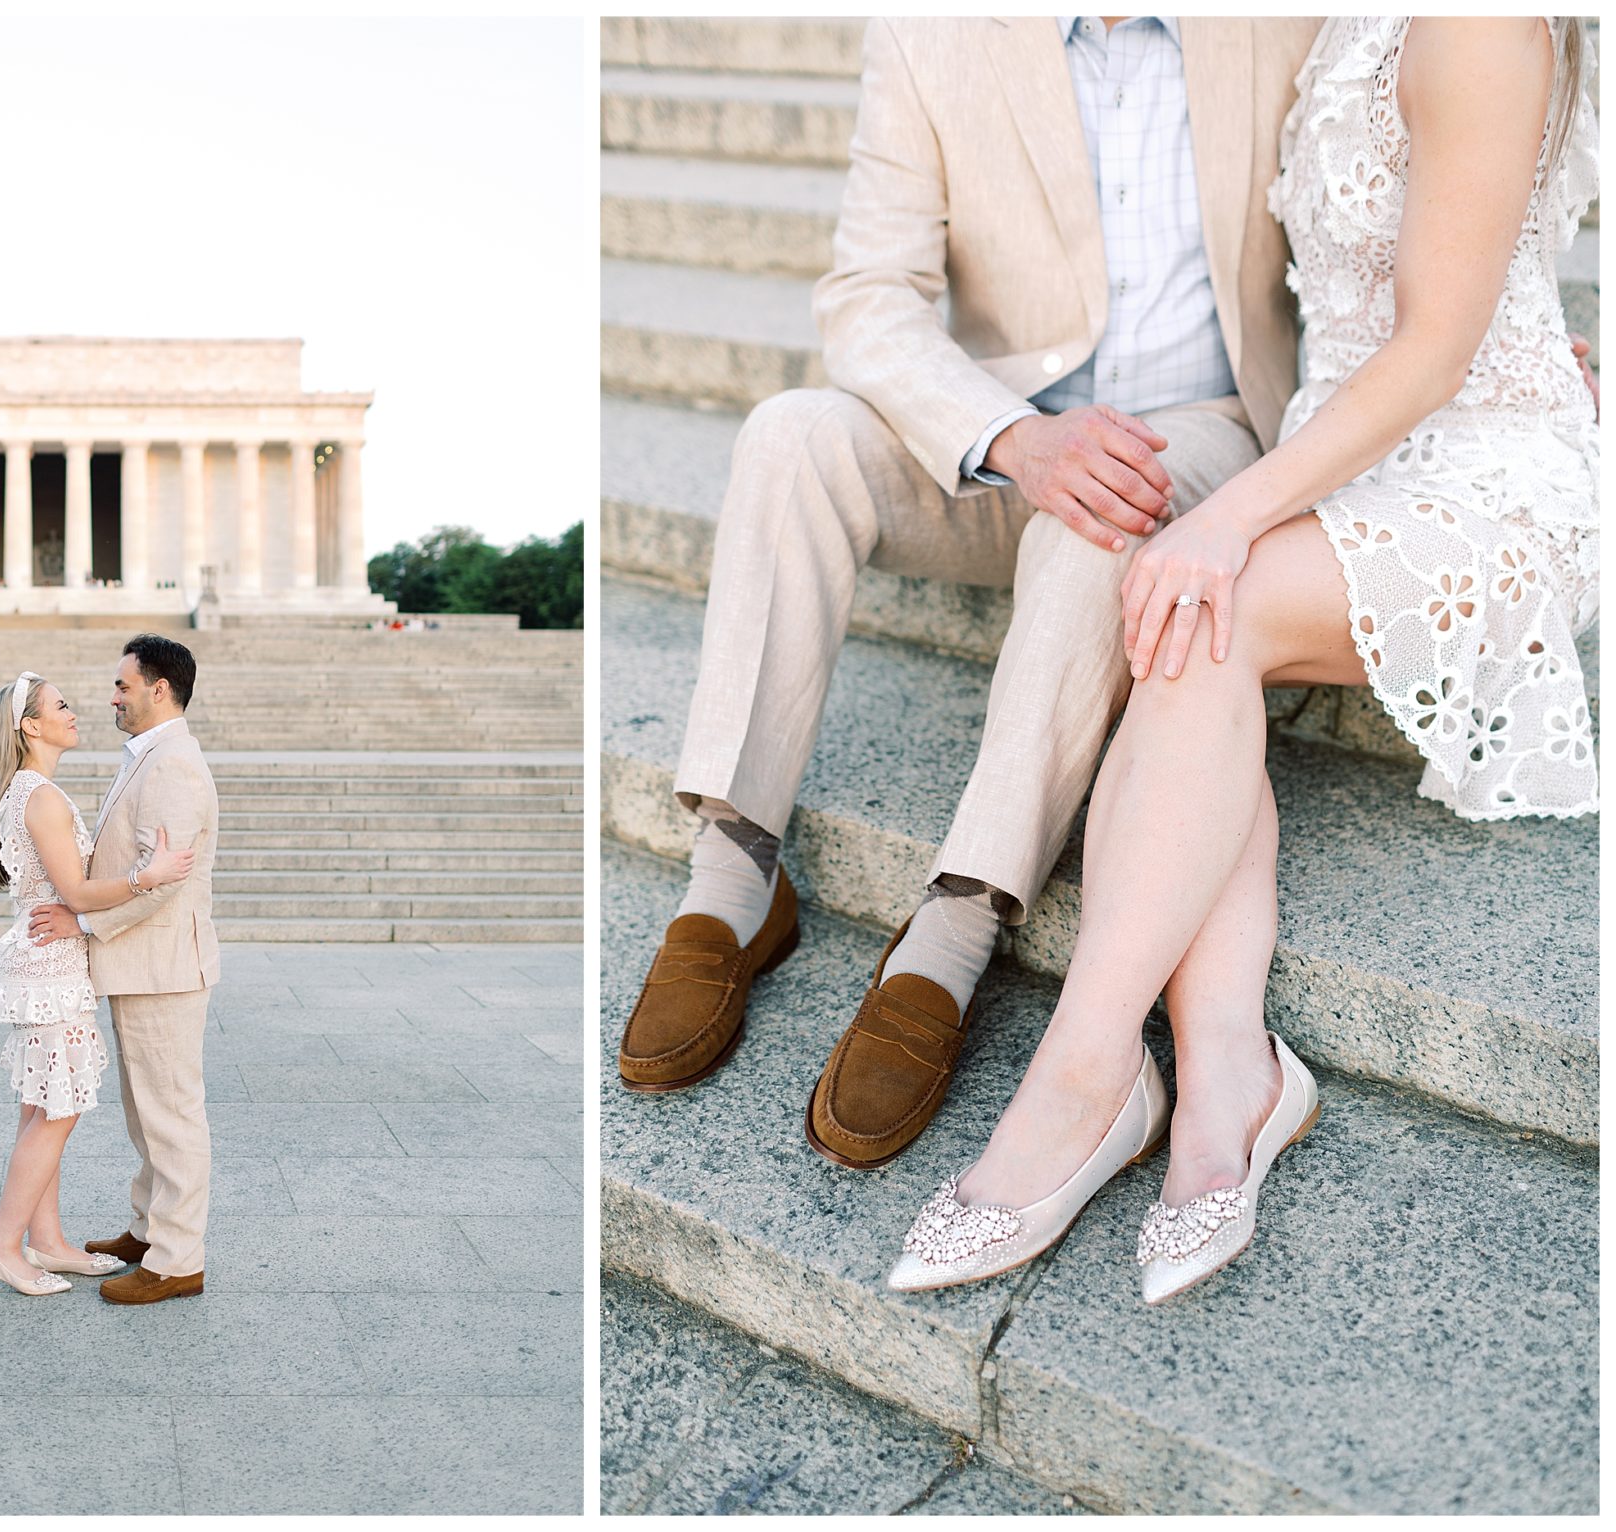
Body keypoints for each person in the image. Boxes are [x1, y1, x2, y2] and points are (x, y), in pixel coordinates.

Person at [890, 15, 1597, 1304]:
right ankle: (1226, 1075)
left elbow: (1440, 341)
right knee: (1187, 613)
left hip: (1483, 473)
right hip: (1348, 447)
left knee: (1195, 598)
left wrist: (1222, 514)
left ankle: (1084, 1071)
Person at [616, 17, 1322, 1170]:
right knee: (789, 432)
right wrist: (1012, 438)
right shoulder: (931, 34)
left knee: (1110, 508)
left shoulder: (1282, 22)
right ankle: (732, 869)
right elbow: (866, 295)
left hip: (1201, 431)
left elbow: (1389, 207)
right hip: (1006, 425)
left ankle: (952, 923)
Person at [0, 670, 195, 1296]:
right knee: (57, 1111)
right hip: (49, 969)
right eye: (61, 706)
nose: (76, 712)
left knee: (41, 1105)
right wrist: (147, 876)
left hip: (46, 964)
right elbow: (74, 893)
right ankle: (2, 1244)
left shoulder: (29, 790)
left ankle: (47, 1242)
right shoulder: (39, 796)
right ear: (30, 726)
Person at [28, 634, 221, 1305]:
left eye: (122, 685)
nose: (111, 697)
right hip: (143, 963)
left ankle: (176, 1260)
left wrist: (81, 921)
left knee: (171, 1115)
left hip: (163, 964)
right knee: (147, 1114)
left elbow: (164, 880)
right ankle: (148, 1229)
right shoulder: (151, 757)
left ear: (158, 688)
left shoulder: (173, 765)